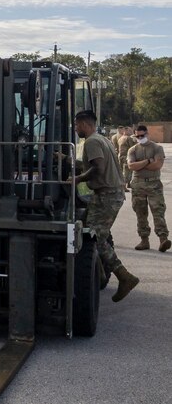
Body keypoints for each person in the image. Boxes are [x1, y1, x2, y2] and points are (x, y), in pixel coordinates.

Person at [69, 110, 139, 302]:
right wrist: (66, 159)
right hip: (109, 194)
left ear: (84, 124)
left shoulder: (91, 142)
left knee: (95, 238)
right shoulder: (103, 139)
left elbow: (97, 168)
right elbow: (95, 164)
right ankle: (99, 275)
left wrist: (77, 179)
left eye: (76, 125)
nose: (75, 129)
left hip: (107, 195)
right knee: (91, 231)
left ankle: (124, 276)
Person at [127, 125, 170, 252]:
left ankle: (163, 239)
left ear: (147, 134)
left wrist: (140, 165)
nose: (140, 138)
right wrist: (147, 161)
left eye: (142, 135)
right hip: (138, 184)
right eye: (138, 136)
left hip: (154, 184)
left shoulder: (157, 148)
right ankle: (144, 240)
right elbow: (131, 166)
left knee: (158, 212)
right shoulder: (133, 150)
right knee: (140, 213)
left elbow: (157, 165)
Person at [118, 127, 137, 192]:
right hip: (126, 156)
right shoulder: (128, 138)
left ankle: (128, 184)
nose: (131, 132)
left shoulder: (120, 138)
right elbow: (132, 147)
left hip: (120, 156)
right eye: (130, 131)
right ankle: (124, 186)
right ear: (126, 131)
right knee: (127, 172)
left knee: (123, 171)